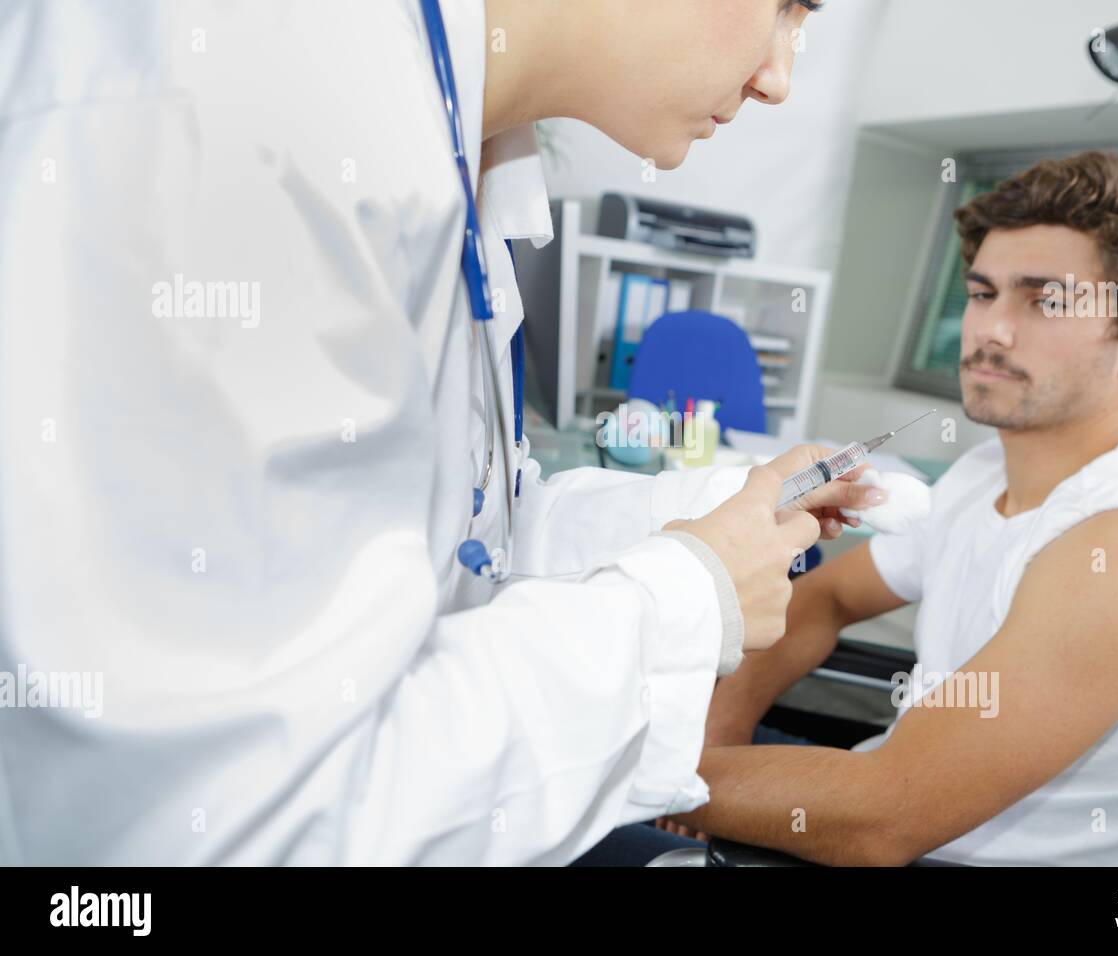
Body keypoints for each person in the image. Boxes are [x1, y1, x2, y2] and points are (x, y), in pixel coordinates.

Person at [0, 0, 869, 865]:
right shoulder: (258, 115)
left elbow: (457, 542)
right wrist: (685, 597)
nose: (780, 78)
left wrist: (720, 514)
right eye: (790, 3)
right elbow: (243, 822)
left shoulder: (458, 147)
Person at [585, 150, 1118, 866]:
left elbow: (884, 817)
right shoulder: (982, 474)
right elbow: (826, 600)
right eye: (982, 292)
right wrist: (714, 733)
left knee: (538, 829)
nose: (990, 330)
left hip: (909, 837)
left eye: (1045, 300)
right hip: (891, 798)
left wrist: (639, 775)